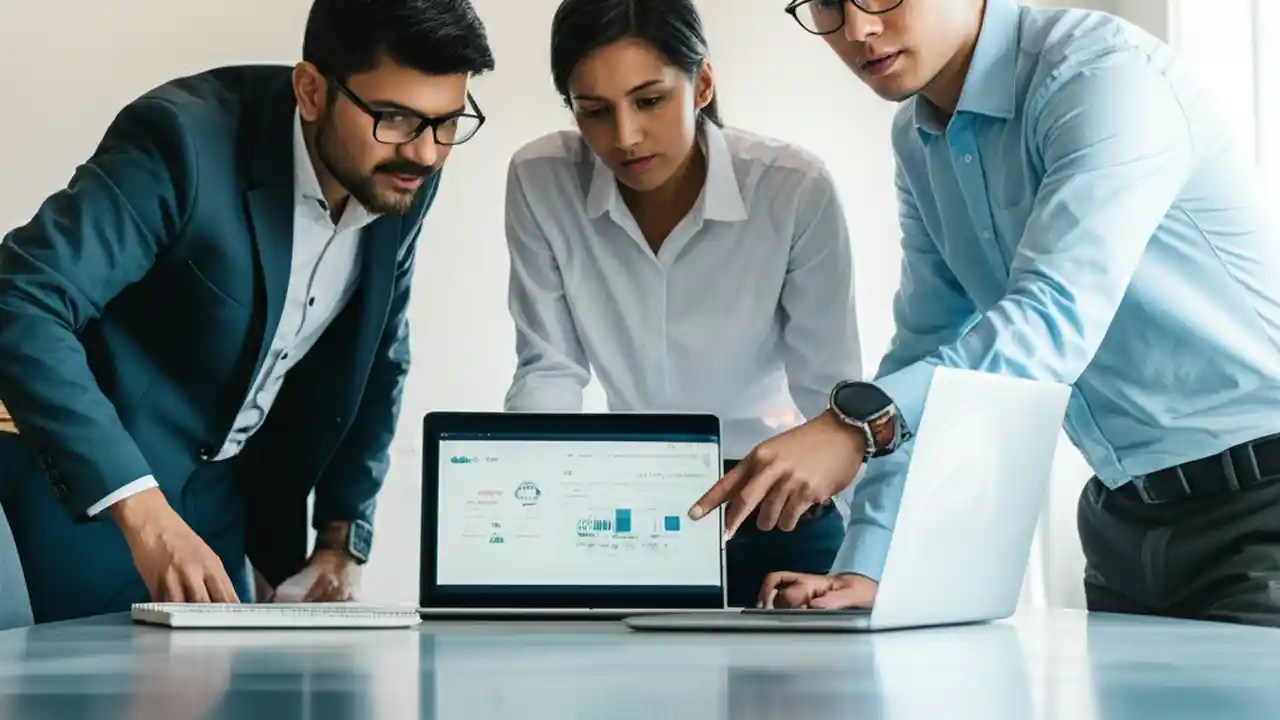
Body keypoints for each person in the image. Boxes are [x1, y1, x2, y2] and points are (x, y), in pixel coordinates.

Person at [690, 0, 1280, 627]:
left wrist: (856, 424)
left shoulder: (1103, 76)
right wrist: (868, 566)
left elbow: (1053, 318)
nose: (857, 29)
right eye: (829, 5)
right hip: (1120, 522)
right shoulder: (917, 139)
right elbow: (925, 344)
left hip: (1263, 508)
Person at [0, 0, 493, 622]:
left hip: (227, 507)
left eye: (447, 121)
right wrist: (146, 514)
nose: (426, 153)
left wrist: (342, 538)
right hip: (89, 494)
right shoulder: (182, 141)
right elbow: (22, 297)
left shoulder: (402, 167)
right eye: (393, 118)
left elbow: (378, 350)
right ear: (312, 91)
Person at [504, 0, 861, 606]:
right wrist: (527, 522)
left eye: (649, 100)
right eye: (593, 111)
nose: (624, 137)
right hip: (631, 504)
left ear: (702, 83)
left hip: (778, 502)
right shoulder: (540, 179)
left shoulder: (793, 188)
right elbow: (550, 369)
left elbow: (831, 392)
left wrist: (863, 561)